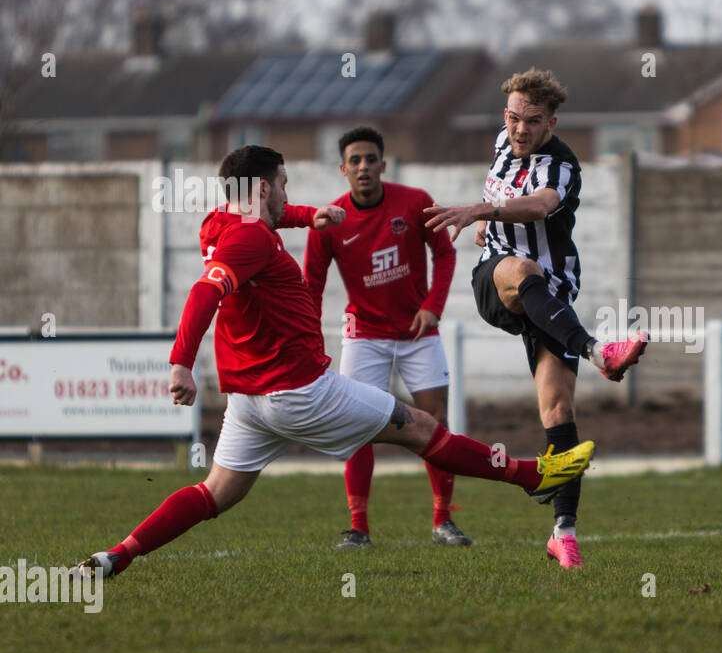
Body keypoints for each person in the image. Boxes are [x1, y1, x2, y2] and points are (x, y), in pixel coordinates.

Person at [75, 145, 591, 580]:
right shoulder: (250, 237)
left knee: (213, 493)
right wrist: (180, 362)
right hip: (300, 391)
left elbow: (260, 229)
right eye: (281, 185)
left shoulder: (219, 223)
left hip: (248, 401)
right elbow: (204, 292)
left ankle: (115, 557)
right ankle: (534, 476)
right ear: (258, 190)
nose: (285, 193)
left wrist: (308, 215)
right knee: (420, 427)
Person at [425, 68, 647, 569]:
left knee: (559, 414)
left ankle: (562, 535)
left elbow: (541, 205)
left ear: (551, 123)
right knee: (520, 267)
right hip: (498, 281)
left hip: (550, 294)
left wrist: (482, 213)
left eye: (532, 121)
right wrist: (486, 229)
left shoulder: (562, 163)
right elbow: (507, 208)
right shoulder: (503, 144)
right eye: (512, 117)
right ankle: (598, 352)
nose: (519, 129)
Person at [305, 127, 467, 550]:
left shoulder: (414, 202)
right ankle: (359, 528)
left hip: (418, 332)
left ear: (383, 164)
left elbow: (446, 252)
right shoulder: (329, 223)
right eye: (354, 160)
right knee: (357, 426)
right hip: (365, 336)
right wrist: (307, 340)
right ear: (343, 169)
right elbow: (312, 286)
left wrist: (433, 304)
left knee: (435, 423)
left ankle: (443, 521)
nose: (363, 167)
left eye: (370, 159)